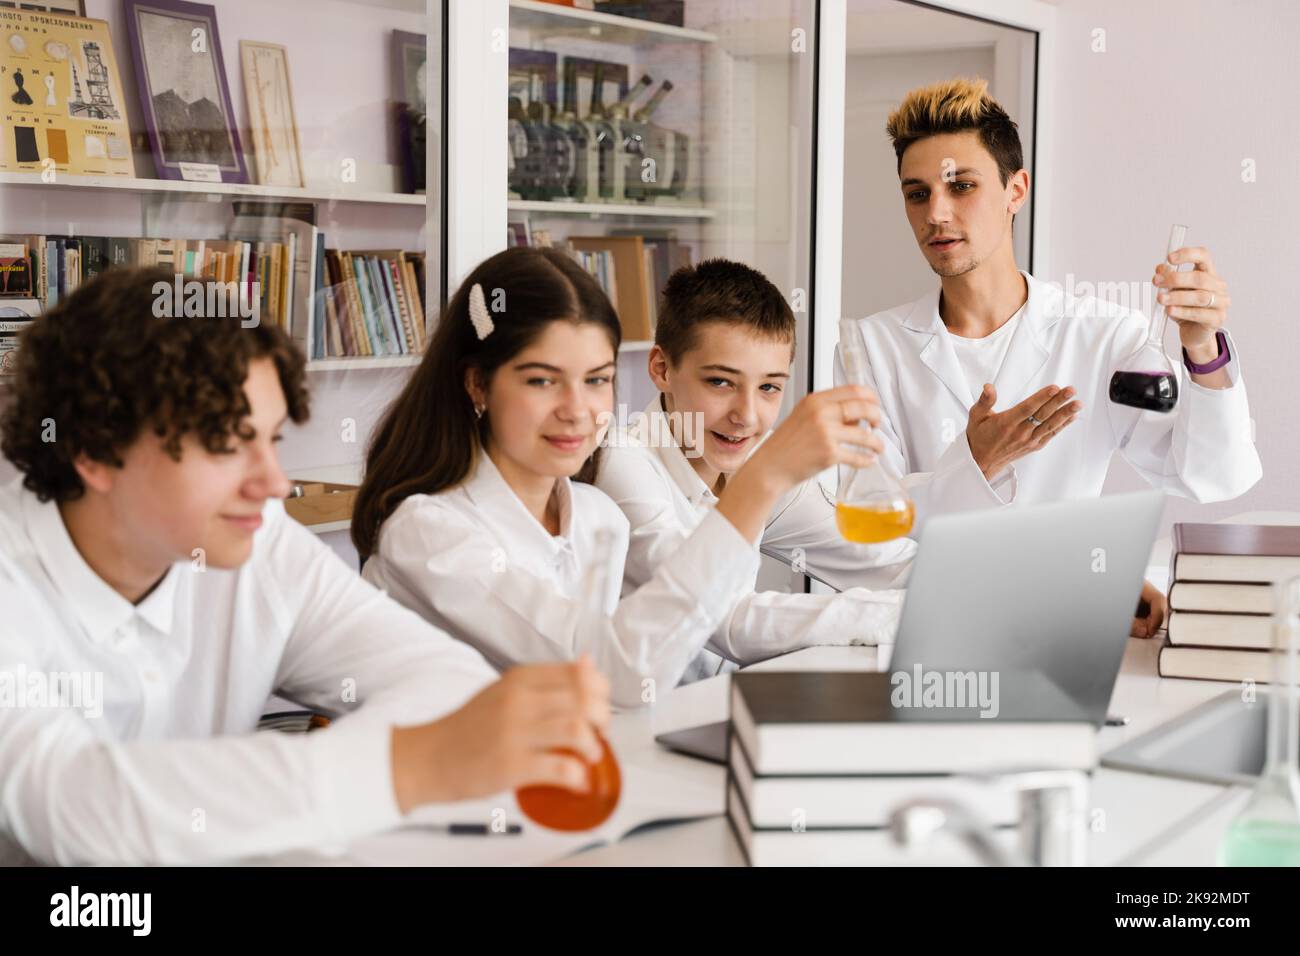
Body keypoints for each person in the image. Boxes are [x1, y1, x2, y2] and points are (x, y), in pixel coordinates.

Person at [0, 266, 610, 865]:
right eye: (226, 445)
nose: (274, 483)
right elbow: (69, 804)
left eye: (271, 440)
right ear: (95, 452)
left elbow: (444, 681)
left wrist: (384, 771)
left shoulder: (258, 542)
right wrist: (402, 767)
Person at [353, 247, 883, 704]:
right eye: (543, 380)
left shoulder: (594, 518)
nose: (576, 410)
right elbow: (617, 671)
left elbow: (626, 689)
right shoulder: (428, 533)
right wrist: (762, 479)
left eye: (597, 380)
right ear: (478, 385)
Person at [842, 76, 1262, 637]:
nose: (936, 214)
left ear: (1016, 191)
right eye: (917, 193)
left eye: (961, 186)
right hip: (927, 637)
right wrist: (975, 462)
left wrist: (1202, 348)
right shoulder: (870, 347)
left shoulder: (1102, 336)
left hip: (1065, 639)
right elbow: (865, 525)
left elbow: (1215, 477)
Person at [595, 258, 909, 680]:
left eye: (768, 388)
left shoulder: (754, 459)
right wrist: (901, 616)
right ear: (662, 369)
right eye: (720, 382)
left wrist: (985, 596)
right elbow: (725, 620)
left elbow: (888, 566)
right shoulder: (621, 461)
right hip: (636, 731)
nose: (745, 416)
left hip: (713, 717)